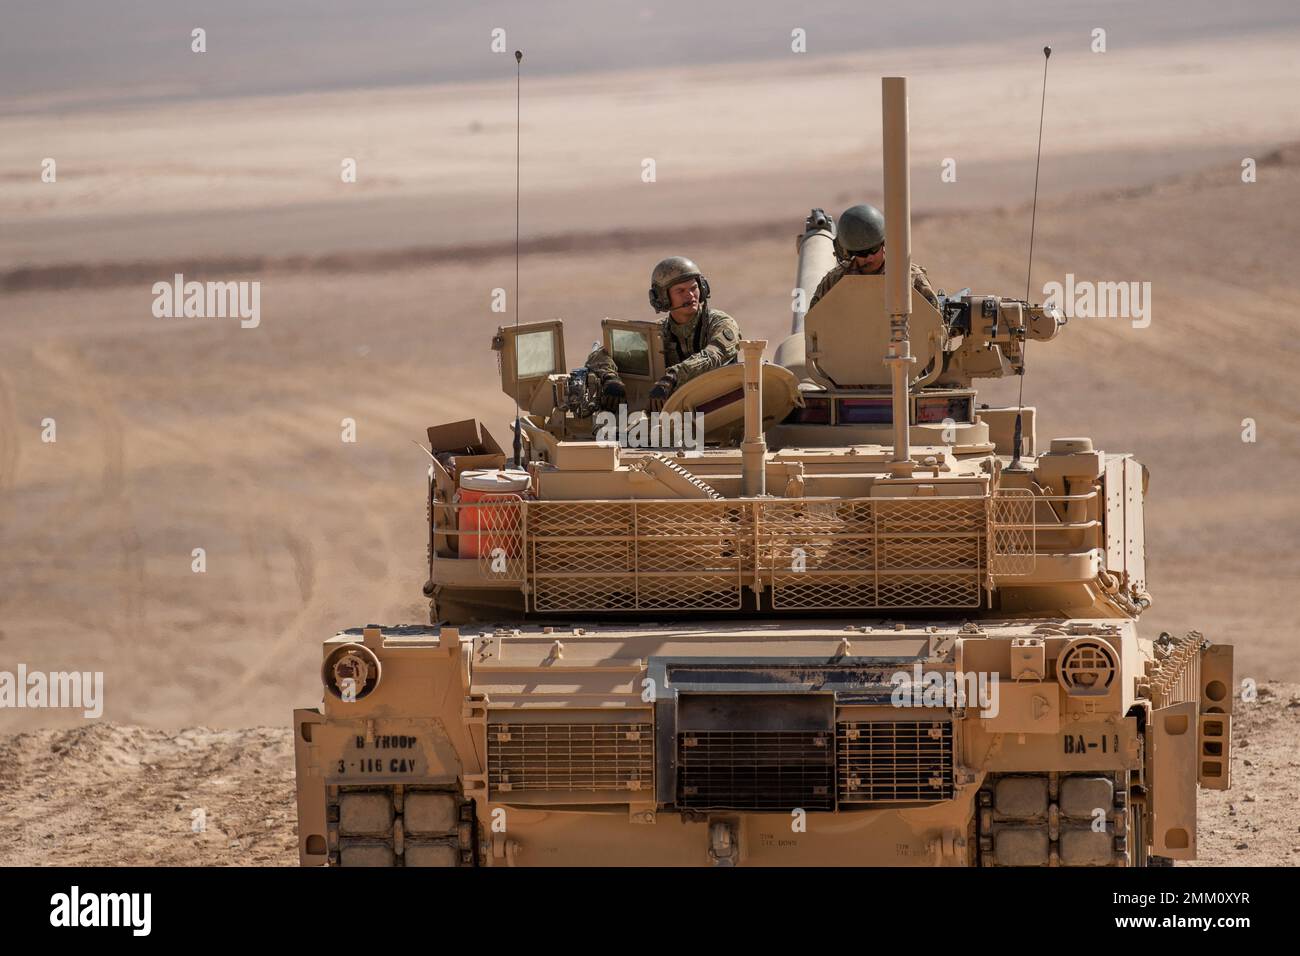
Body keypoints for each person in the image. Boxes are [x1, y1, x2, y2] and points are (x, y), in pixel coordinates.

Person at [586, 256, 740, 412]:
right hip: (678, 417)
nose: (691, 296)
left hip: (720, 411)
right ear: (663, 298)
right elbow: (599, 355)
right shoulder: (658, 332)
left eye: (694, 288)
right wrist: (610, 378)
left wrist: (673, 377)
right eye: (681, 291)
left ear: (703, 288)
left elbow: (713, 355)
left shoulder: (720, 323)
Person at [808, 203, 939, 311]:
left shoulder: (911, 279)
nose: (869, 258)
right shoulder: (833, 282)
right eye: (862, 253)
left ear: (884, 243)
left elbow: (934, 329)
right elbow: (814, 329)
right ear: (849, 252)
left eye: (874, 249)